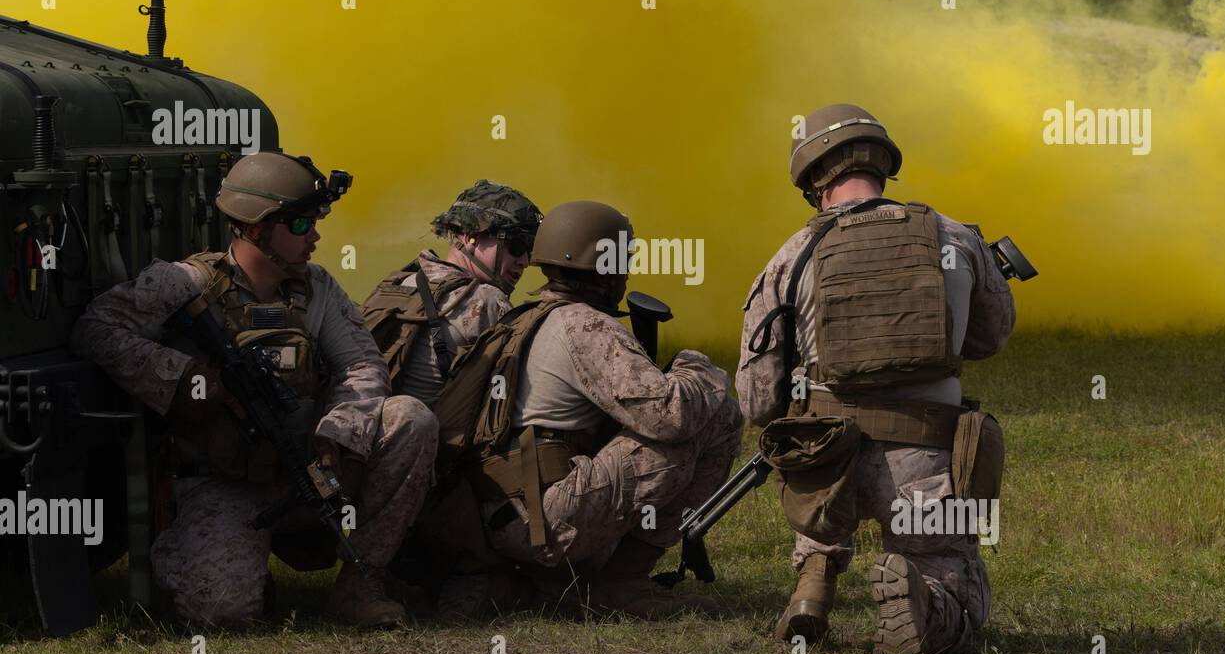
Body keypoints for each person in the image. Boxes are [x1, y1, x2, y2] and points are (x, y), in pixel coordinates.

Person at [69, 151, 438, 629]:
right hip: (225, 482)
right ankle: (209, 560)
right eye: (301, 224)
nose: (316, 236)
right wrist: (191, 378)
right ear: (257, 227)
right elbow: (96, 329)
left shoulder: (318, 289)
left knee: (410, 418)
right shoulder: (184, 282)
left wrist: (336, 435)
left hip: (308, 467)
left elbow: (361, 366)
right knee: (223, 611)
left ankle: (360, 584)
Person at [736, 103, 1016, 654]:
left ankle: (814, 579)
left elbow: (757, 398)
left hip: (825, 463)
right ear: (883, 164)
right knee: (955, 580)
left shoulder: (790, 258)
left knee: (815, 460)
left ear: (815, 177)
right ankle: (927, 607)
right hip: (926, 459)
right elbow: (991, 338)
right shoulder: (955, 238)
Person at [448, 200, 743, 618]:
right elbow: (669, 415)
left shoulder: (528, 316)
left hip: (508, 513)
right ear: (604, 267)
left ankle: (556, 582)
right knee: (712, 421)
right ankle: (623, 583)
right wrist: (696, 366)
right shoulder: (585, 326)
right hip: (539, 520)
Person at [361, 180, 541, 408]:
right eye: (516, 245)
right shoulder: (487, 300)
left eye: (530, 249)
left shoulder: (400, 281)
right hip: (436, 440)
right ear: (470, 236)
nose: (524, 261)